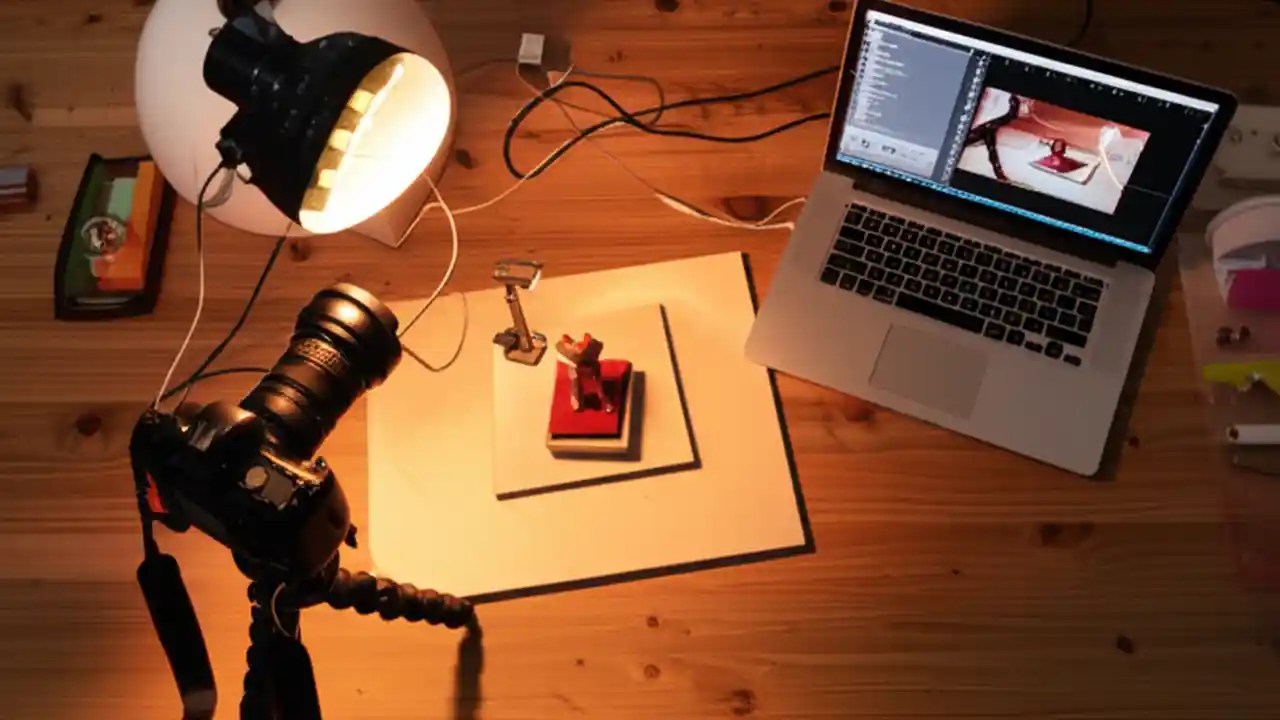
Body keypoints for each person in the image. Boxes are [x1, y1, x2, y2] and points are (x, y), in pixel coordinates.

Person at [965, 93, 1023, 182]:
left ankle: (999, 173)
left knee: (991, 146)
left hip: (987, 126)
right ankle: (999, 173)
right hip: (985, 125)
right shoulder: (1005, 101)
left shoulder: (1011, 102)